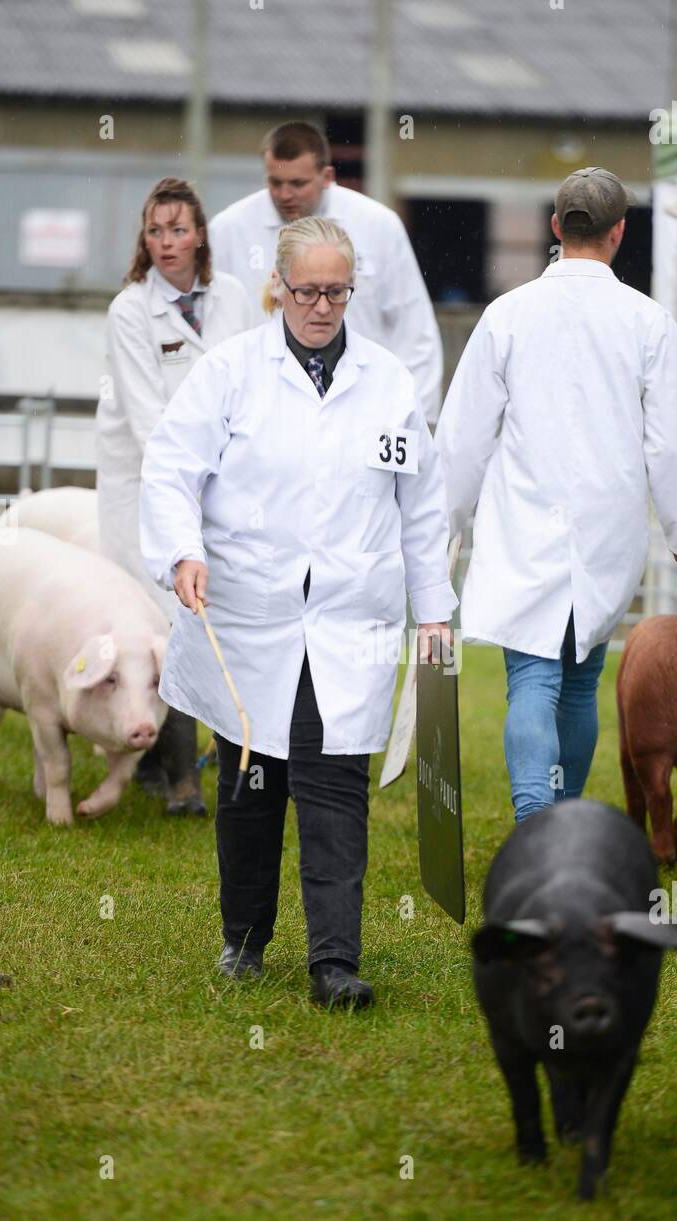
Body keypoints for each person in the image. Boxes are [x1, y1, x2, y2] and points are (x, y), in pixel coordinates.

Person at [139, 216, 456, 1006]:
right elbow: (172, 467)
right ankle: (242, 941)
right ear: (278, 286)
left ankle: (334, 965)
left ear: (353, 290)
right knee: (252, 786)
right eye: (308, 290)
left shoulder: (387, 382)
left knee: (333, 787)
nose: (321, 306)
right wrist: (182, 551)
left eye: (337, 291)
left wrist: (435, 610)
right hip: (251, 616)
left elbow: (422, 507)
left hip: (350, 621)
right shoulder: (231, 373)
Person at [436, 167, 677, 824]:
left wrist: (445, 521)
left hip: (522, 519)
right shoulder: (648, 320)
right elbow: (674, 444)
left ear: (556, 227)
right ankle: (559, 827)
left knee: (531, 677)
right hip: (605, 524)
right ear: (618, 233)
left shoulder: (505, 314)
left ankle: (536, 825)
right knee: (580, 680)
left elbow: (464, 434)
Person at [96, 176, 252, 813]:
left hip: (227, 478)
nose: (167, 242)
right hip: (149, 483)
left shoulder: (236, 298)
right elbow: (147, 420)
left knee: (220, 613)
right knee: (165, 618)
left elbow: (252, 381)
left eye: (179, 229)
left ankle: (212, 768)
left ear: (200, 235)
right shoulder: (130, 310)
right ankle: (177, 777)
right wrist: (211, 461)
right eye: (156, 230)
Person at [208, 121, 443, 421]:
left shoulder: (378, 225)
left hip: (362, 403)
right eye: (275, 183)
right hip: (259, 408)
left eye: (297, 183)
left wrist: (414, 417)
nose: (284, 194)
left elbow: (415, 330)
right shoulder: (228, 230)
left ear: (327, 176)